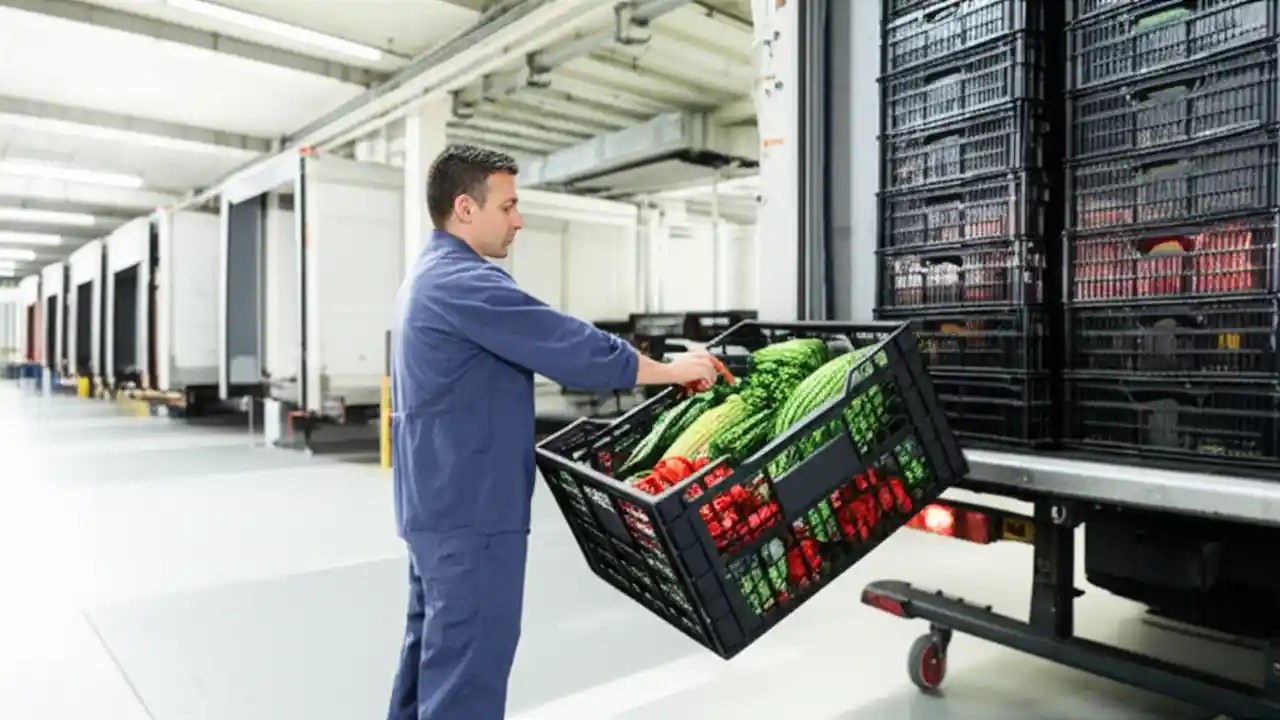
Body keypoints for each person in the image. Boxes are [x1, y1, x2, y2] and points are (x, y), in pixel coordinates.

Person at [385, 144, 720, 720]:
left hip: (439, 510)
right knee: (465, 680)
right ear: (465, 208)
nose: (518, 220)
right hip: (472, 517)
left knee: (430, 664)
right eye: (509, 206)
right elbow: (566, 345)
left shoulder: (429, 275)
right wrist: (669, 371)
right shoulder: (464, 284)